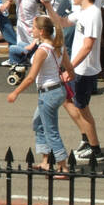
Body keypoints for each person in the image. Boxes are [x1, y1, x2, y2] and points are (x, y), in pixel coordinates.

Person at [40, 0, 104, 163]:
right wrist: (47, 6)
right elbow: (60, 22)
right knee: (67, 101)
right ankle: (86, 138)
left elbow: (87, 46)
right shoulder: (82, 12)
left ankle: (95, 149)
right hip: (79, 69)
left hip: (85, 70)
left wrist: (70, 68)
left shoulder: (93, 14)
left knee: (82, 108)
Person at [6, 15, 69, 175]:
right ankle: (45, 161)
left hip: (48, 93)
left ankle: (63, 166)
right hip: (57, 90)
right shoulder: (58, 46)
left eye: (33, 28)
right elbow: (70, 69)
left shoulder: (42, 51)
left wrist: (15, 92)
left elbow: (30, 78)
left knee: (51, 130)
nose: (31, 30)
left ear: (41, 31)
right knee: (38, 123)